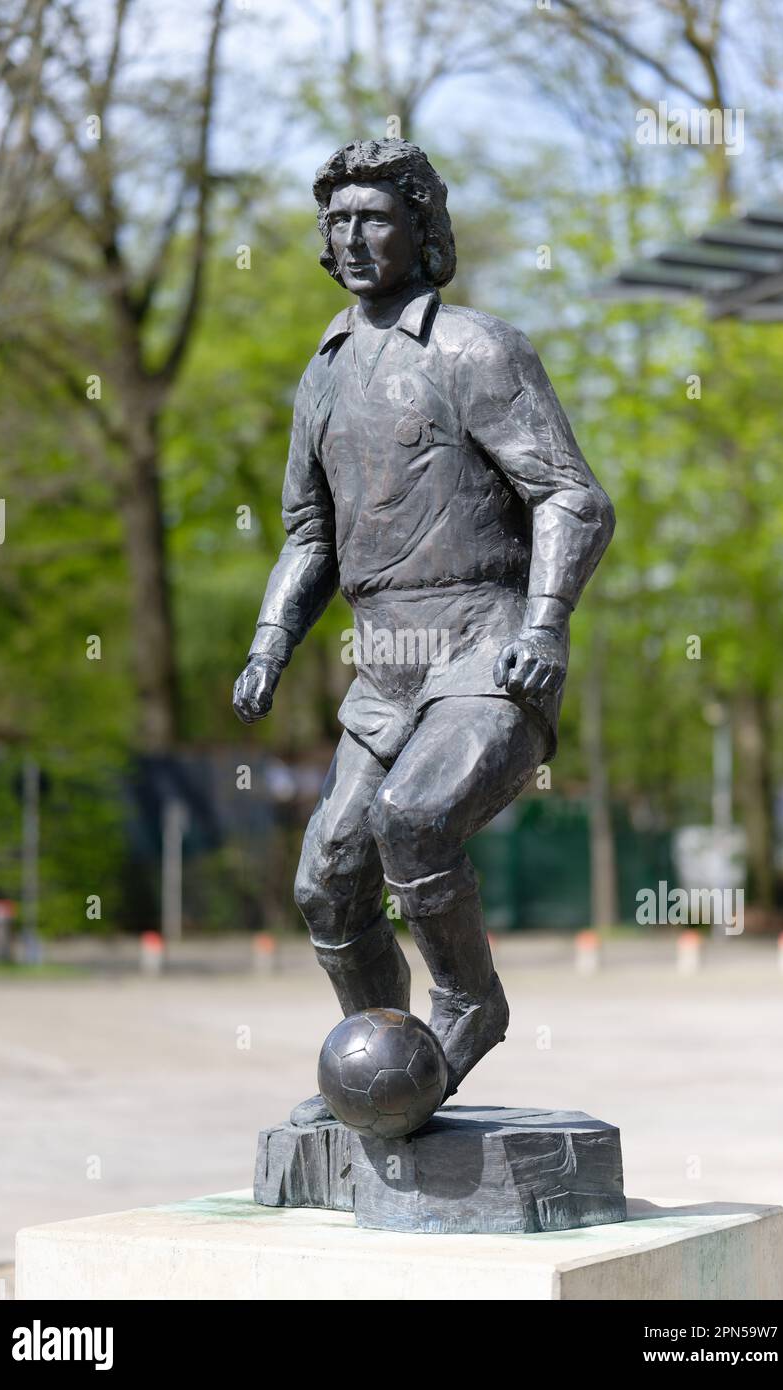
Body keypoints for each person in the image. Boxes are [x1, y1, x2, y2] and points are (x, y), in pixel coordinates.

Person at [233, 139, 614, 1124]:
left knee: (414, 816)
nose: (350, 237)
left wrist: (546, 621)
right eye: (336, 222)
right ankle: (387, 1070)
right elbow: (308, 534)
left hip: (486, 645)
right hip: (384, 666)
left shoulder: (474, 350)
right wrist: (270, 641)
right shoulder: (320, 377)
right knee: (327, 880)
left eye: (372, 218)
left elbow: (570, 498)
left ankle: (468, 1005)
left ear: (420, 230)